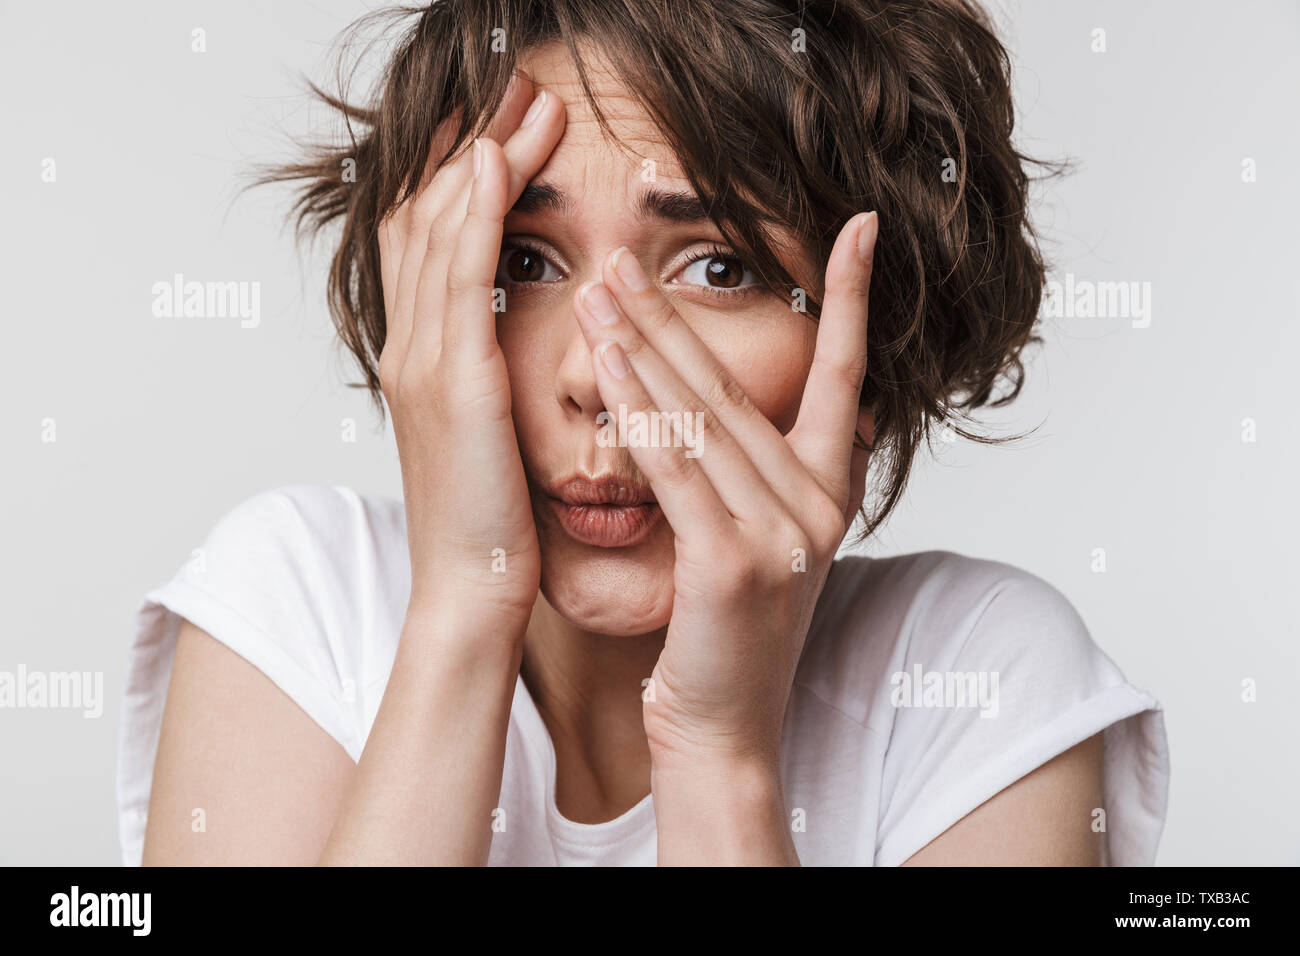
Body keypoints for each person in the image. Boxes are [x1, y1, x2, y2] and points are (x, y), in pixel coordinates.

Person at [117, 0, 1169, 866]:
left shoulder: (980, 677)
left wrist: (720, 751)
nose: (592, 375)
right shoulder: (295, 604)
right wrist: (460, 609)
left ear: (876, 338)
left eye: (718, 267)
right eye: (523, 260)